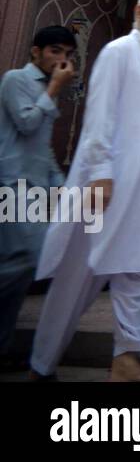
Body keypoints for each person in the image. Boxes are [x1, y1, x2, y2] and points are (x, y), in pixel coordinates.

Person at [28, 0, 140, 381]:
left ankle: (128, 358)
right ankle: (42, 366)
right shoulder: (119, 54)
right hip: (106, 192)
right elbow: (99, 119)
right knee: (74, 282)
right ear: (139, 13)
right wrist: (100, 174)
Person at [0, 26, 77, 368]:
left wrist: (62, 185)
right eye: (55, 52)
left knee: (25, 266)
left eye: (67, 55)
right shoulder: (15, 80)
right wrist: (54, 90)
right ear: (36, 52)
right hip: (12, 184)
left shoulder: (49, 88)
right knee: (23, 262)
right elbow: (27, 124)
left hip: (37, 189)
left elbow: (42, 147)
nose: (61, 60)